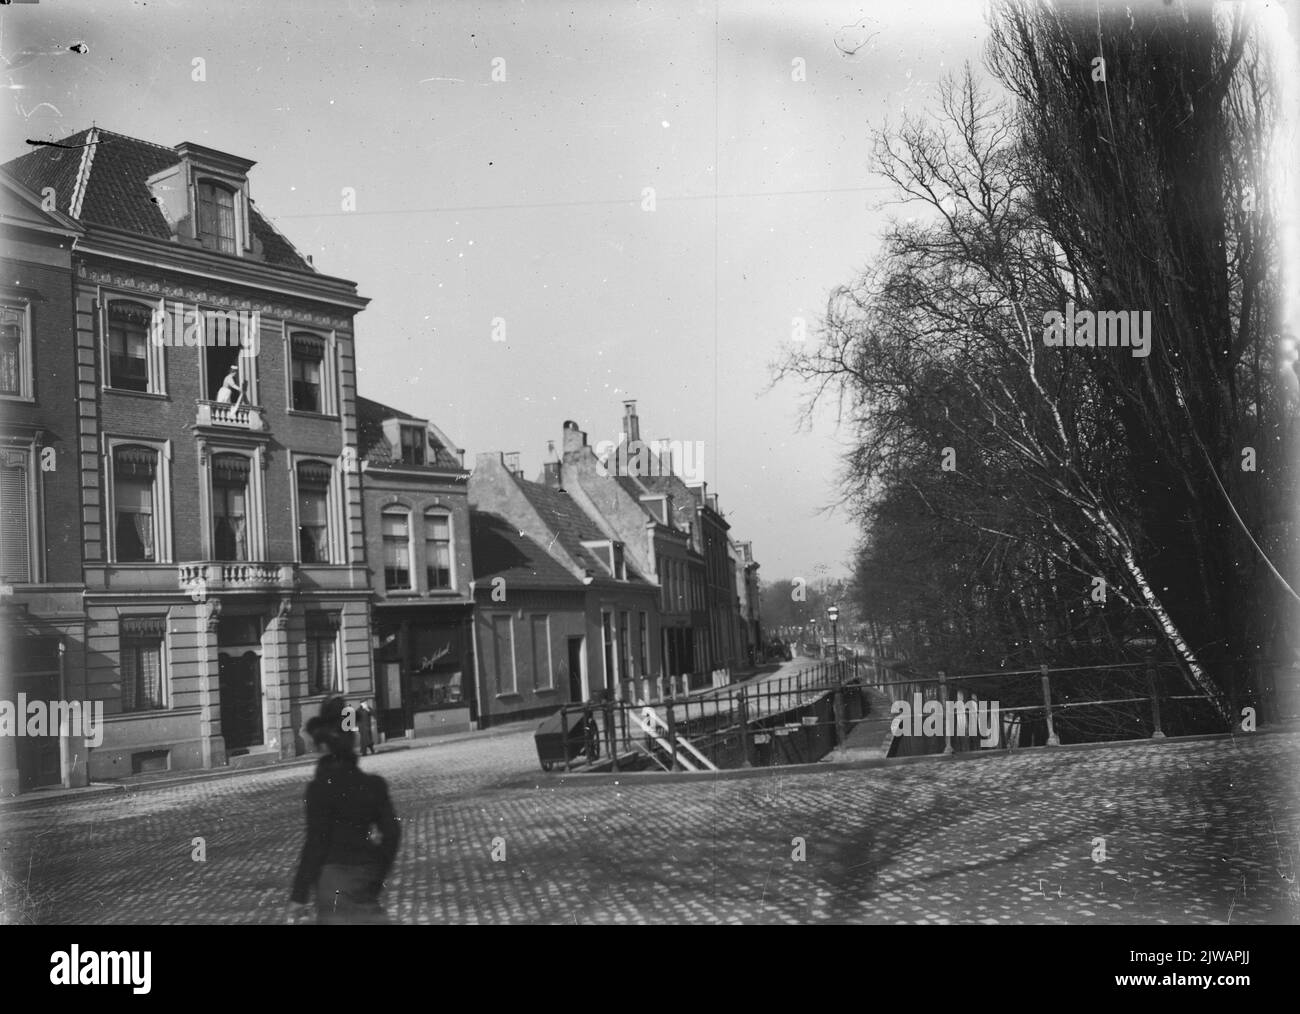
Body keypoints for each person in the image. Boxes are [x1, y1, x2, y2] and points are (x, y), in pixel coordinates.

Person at [288, 696, 401, 925]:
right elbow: (392, 832)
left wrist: (299, 895)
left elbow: (316, 842)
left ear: (324, 747)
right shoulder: (374, 785)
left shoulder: (318, 789)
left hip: (333, 880)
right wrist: (379, 867)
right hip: (367, 875)